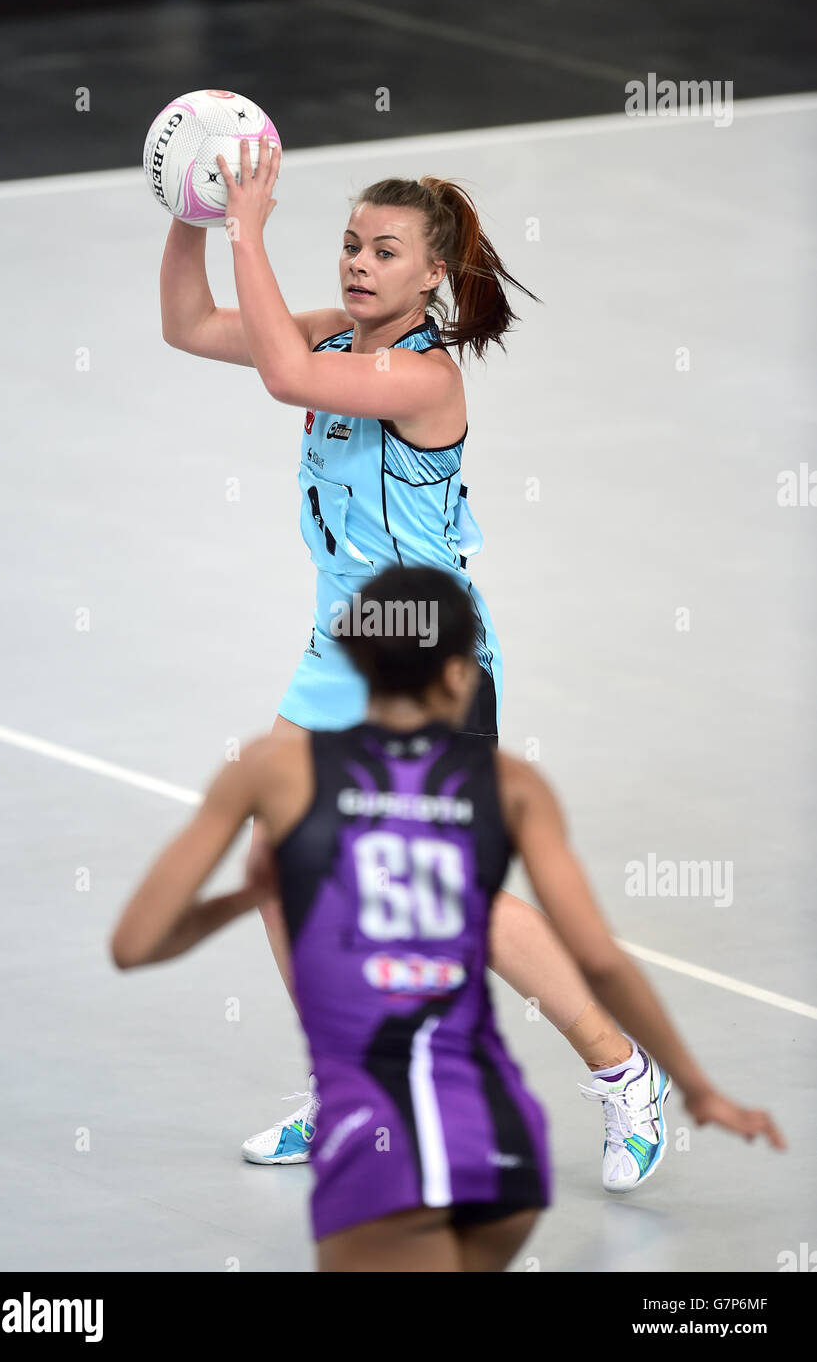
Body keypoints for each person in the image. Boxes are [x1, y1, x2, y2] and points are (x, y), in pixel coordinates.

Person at [160, 135, 664, 1191]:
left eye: (383, 250)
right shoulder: (336, 334)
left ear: (431, 272)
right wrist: (193, 210)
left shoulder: (418, 374)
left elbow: (285, 377)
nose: (356, 262)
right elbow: (192, 326)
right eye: (348, 242)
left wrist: (249, 228)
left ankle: (622, 1071)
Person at [109, 567, 784, 1273]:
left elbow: (134, 945)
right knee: (295, 865)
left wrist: (239, 895)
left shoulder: (269, 766)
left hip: (410, 631)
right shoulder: (506, 781)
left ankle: (620, 1070)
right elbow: (604, 959)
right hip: (347, 631)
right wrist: (702, 1088)